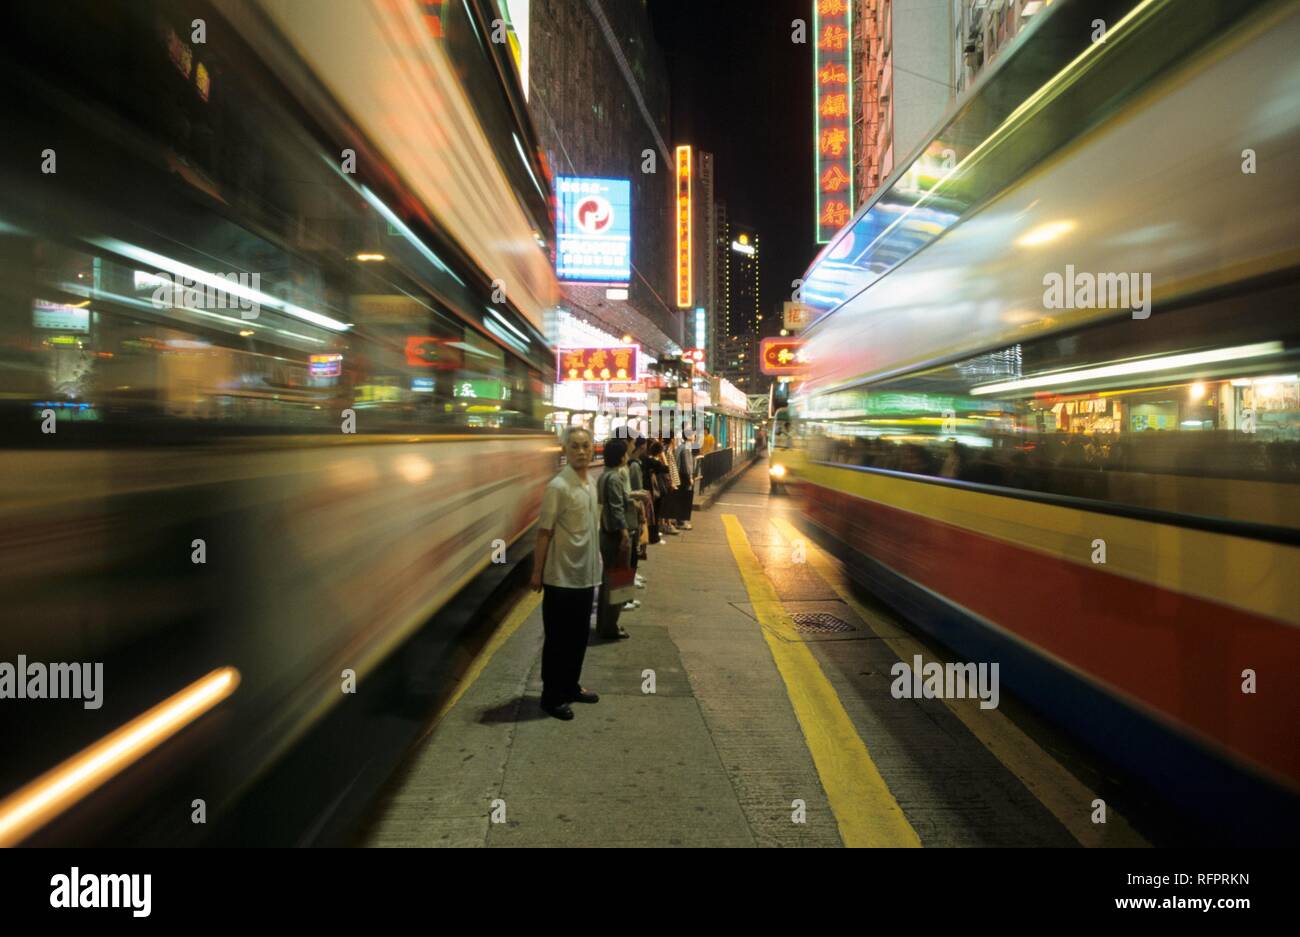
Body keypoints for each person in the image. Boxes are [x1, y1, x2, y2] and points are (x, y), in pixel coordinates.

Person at [530, 426, 602, 721]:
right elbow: (544, 533)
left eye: (585, 445)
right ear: (565, 450)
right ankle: (551, 697)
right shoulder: (557, 487)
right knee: (558, 639)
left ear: (593, 447)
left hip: (585, 576)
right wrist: (537, 573)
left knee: (578, 636)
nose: (581, 451)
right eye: (574, 446)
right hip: (560, 578)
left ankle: (571, 686)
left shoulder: (590, 483)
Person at [595, 436, 633, 640]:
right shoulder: (615, 478)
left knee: (607, 581)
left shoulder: (604, 475)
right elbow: (617, 508)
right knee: (619, 582)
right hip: (615, 536)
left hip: (606, 533)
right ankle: (611, 626)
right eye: (625, 452)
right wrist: (624, 533)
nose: (627, 456)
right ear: (620, 457)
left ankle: (604, 624)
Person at [643, 439, 672, 543]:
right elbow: (667, 469)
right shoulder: (654, 462)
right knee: (654, 513)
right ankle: (654, 537)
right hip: (654, 491)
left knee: (651, 514)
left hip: (649, 491)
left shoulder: (646, 460)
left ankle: (652, 535)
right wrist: (663, 458)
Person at [675, 430, 697, 530]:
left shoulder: (681, 446)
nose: (695, 437)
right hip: (684, 476)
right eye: (693, 435)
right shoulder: (687, 448)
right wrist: (690, 477)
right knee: (684, 499)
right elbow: (687, 465)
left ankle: (679, 520)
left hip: (679, 476)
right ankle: (682, 522)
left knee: (680, 498)